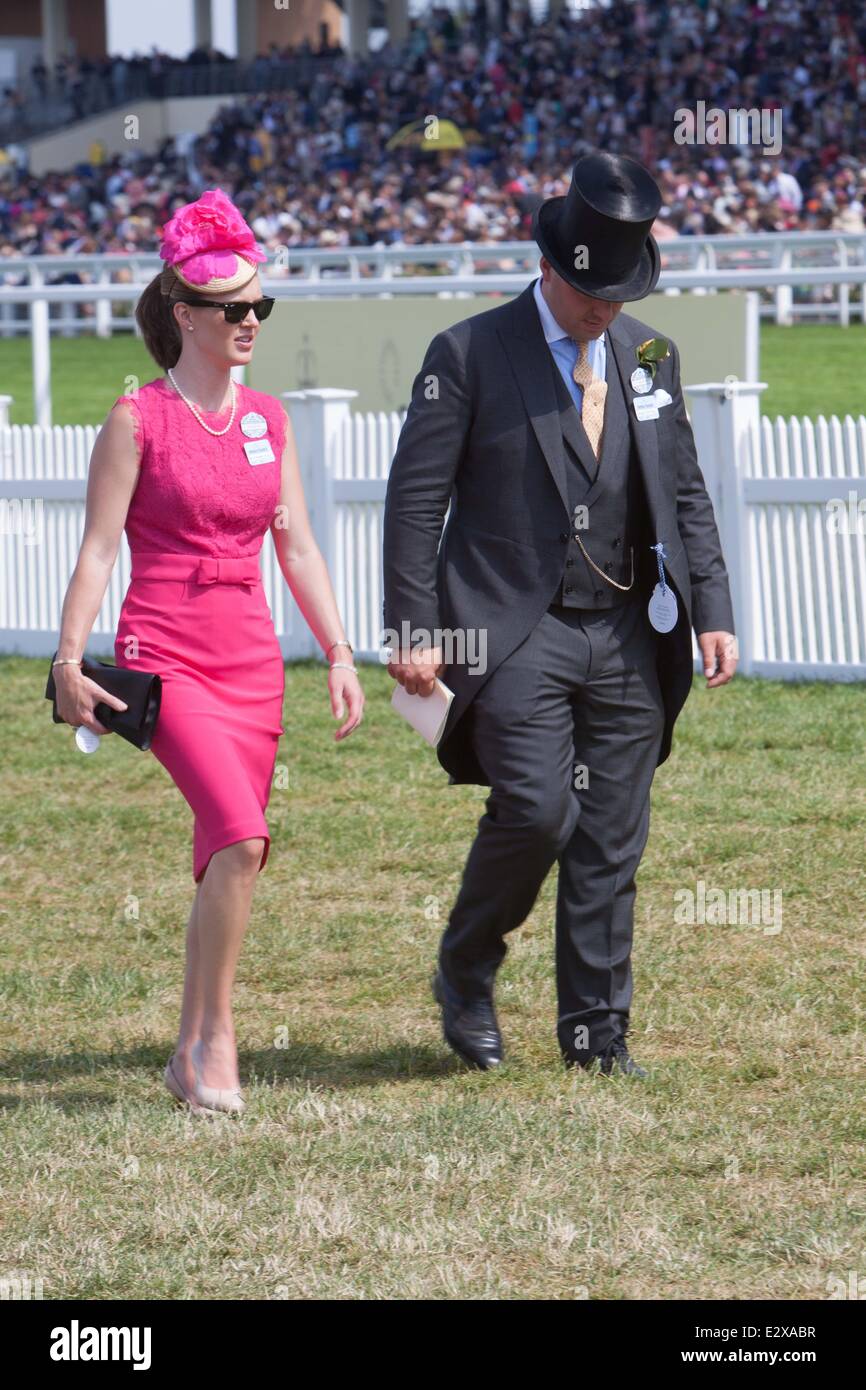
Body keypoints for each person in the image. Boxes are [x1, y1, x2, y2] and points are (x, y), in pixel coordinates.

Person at [383, 151, 737, 1077]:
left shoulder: (651, 358)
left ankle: (594, 1035)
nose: (605, 310)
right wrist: (414, 628)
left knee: (613, 835)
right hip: (512, 628)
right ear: (551, 264)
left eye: (621, 293)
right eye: (593, 292)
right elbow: (416, 503)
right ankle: (468, 962)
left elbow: (684, 492)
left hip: (627, 630)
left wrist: (713, 608)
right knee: (540, 810)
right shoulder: (465, 355)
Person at [52, 188, 364, 1115]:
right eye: (232, 309)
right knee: (241, 835)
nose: (249, 322)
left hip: (253, 663)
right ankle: (217, 1042)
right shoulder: (135, 418)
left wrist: (340, 652)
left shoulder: (271, 417)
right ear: (182, 313)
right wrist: (69, 661)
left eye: (259, 306)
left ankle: (190, 1050)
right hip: (165, 656)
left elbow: (297, 544)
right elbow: (98, 550)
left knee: (230, 858)